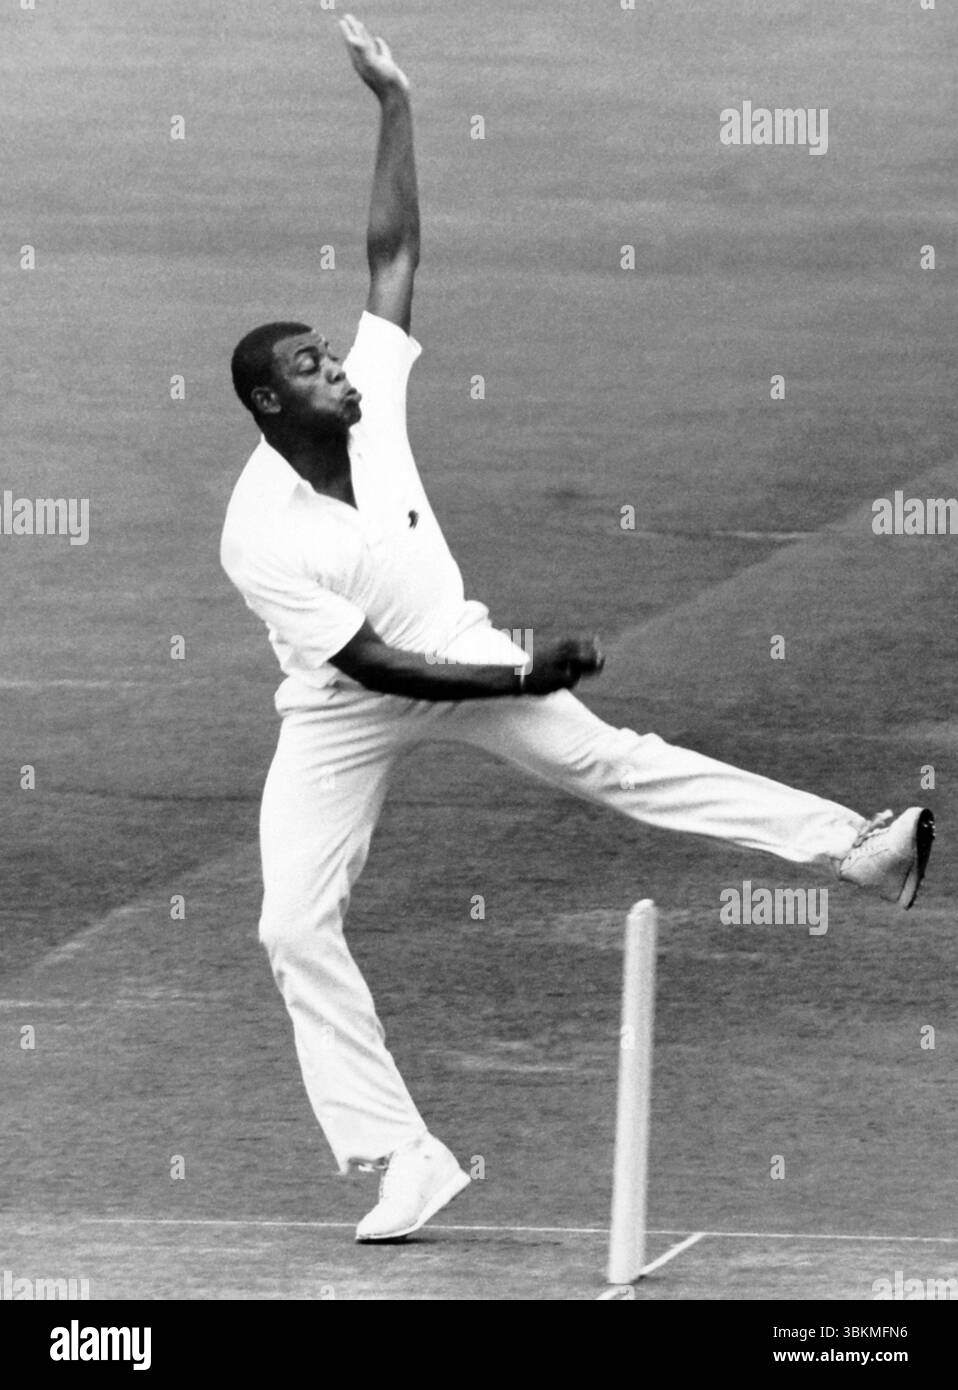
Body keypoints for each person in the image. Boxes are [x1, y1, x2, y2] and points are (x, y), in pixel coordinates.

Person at [220, 14, 934, 1243]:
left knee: (610, 762)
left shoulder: (374, 399)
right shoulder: (258, 532)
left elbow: (391, 254)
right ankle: (404, 1154)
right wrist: (524, 664)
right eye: (309, 364)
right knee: (291, 921)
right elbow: (376, 667)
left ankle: (860, 848)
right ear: (268, 402)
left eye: (332, 352)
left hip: (456, 646)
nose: (338, 365)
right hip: (345, 704)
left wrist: (395, 105)